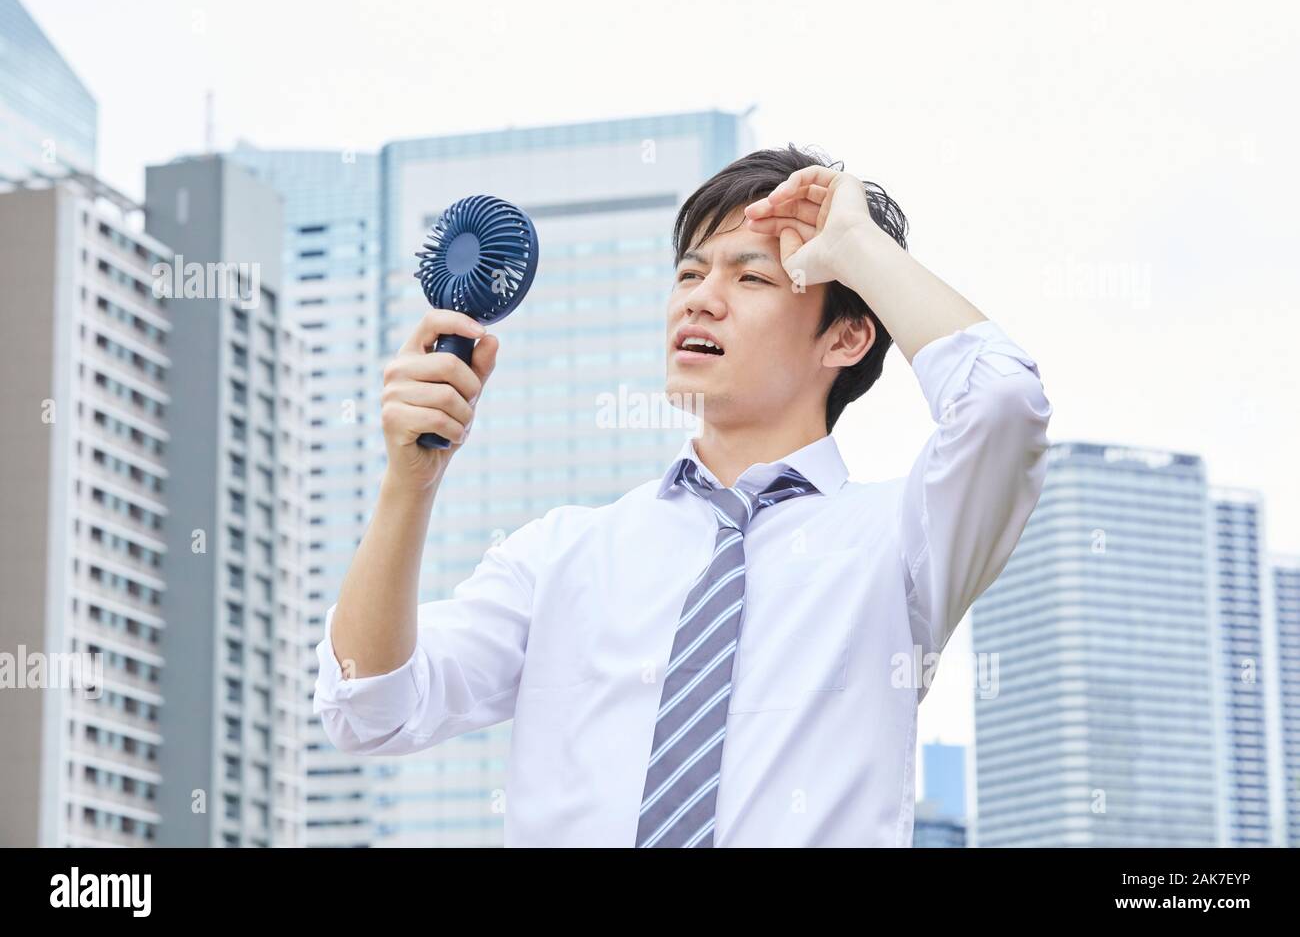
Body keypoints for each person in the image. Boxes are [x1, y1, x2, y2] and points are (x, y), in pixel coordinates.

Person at [313, 143, 1053, 846]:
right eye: (690, 273)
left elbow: (1003, 402)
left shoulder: (901, 540)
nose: (701, 300)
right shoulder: (563, 553)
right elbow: (371, 708)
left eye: (752, 278)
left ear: (848, 339)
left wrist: (859, 246)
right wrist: (408, 486)